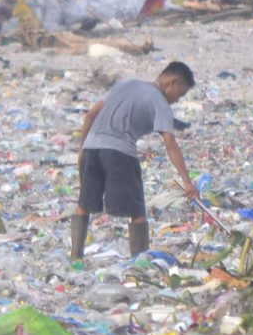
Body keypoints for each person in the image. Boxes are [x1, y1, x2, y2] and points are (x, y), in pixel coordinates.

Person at [72, 60, 203, 261]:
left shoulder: (127, 84)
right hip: (119, 152)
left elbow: (90, 115)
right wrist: (187, 182)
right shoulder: (160, 102)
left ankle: (75, 258)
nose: (177, 100)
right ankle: (140, 264)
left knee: (84, 204)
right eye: (180, 94)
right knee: (137, 211)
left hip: (91, 148)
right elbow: (170, 144)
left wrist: (82, 150)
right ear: (172, 81)